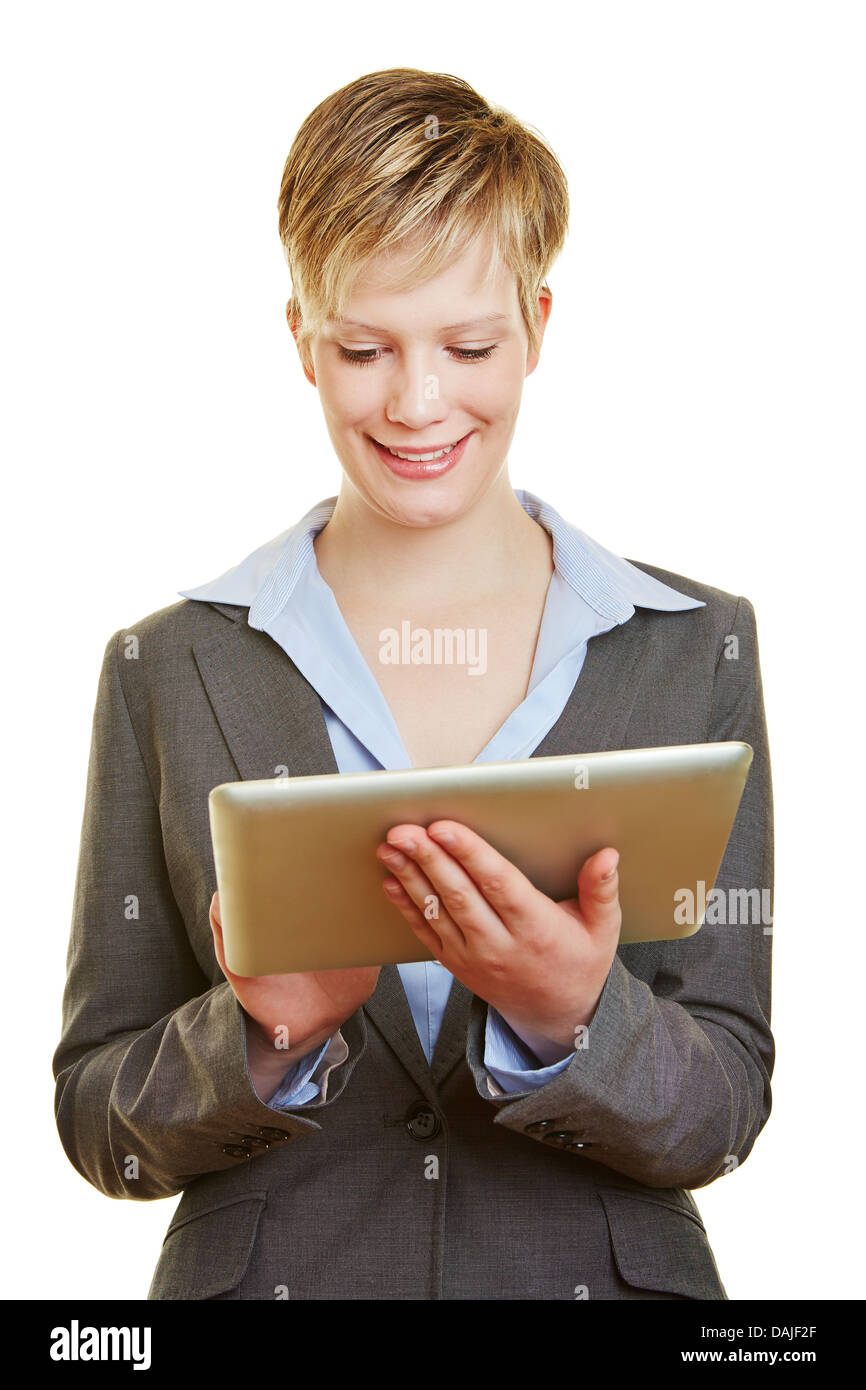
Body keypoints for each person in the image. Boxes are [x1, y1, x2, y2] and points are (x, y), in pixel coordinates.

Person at [53, 67, 774, 1301]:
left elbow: (725, 1103)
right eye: (364, 347)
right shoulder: (167, 666)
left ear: (537, 327)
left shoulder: (692, 643)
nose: (417, 401)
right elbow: (97, 1120)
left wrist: (573, 1014)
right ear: (300, 340)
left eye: (470, 344)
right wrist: (263, 1034)